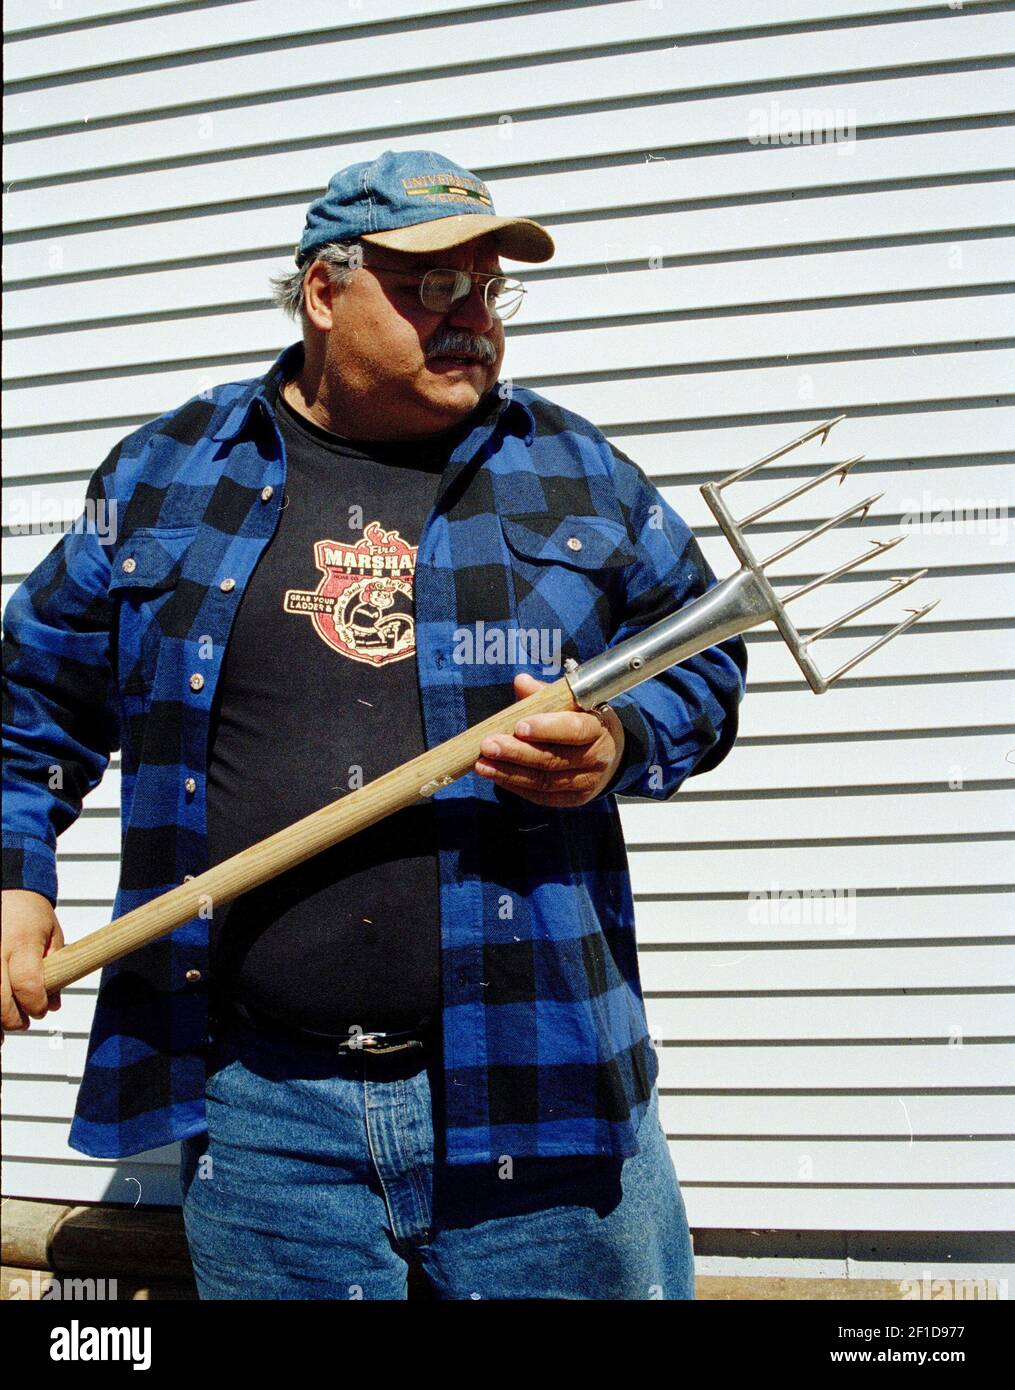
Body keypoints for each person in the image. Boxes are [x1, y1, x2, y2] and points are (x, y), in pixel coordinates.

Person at [2, 149, 747, 1300]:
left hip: (536, 1099)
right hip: (265, 1123)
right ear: (322, 289)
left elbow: (703, 661)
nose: (473, 322)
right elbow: (30, 700)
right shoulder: (166, 475)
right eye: (431, 289)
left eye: (489, 291)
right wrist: (16, 876)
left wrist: (623, 740)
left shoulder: (574, 470)